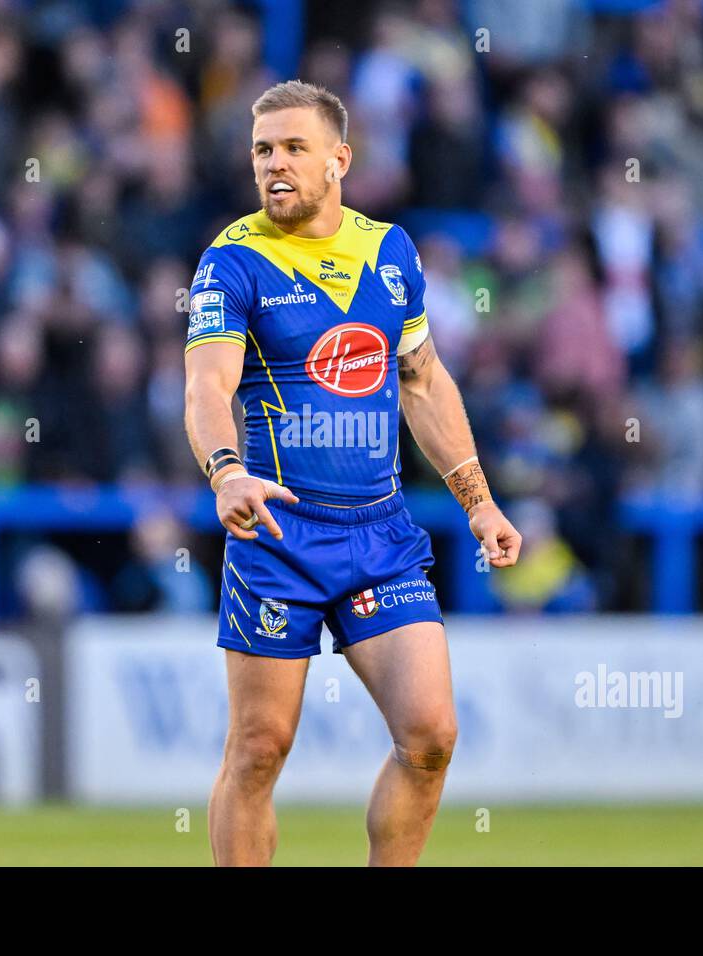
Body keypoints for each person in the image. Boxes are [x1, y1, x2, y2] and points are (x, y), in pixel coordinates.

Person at [183, 80, 522, 867]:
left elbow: (424, 381)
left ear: (340, 159)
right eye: (263, 150)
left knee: (431, 737)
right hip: (277, 533)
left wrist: (478, 501)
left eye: (294, 149)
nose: (275, 165)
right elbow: (207, 385)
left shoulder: (391, 253)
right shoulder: (235, 260)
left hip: (378, 531)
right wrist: (225, 471)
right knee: (260, 750)